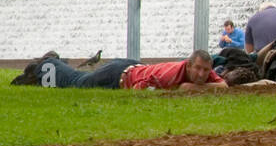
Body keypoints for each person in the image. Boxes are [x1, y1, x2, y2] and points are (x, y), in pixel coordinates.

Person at [12, 50, 227, 92]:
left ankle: (53, 67)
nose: (201, 74)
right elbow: (137, 89)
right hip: (120, 74)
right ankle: (46, 64)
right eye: (197, 69)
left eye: (205, 70)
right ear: (188, 65)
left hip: (134, 65)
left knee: (82, 78)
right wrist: (179, 89)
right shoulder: (168, 76)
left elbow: (224, 85)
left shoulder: (203, 74)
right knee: (79, 81)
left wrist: (192, 87)